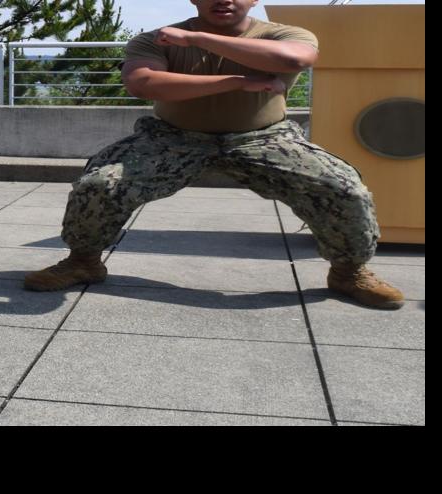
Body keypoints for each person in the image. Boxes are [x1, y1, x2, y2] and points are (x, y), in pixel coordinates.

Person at [23, 0, 405, 309]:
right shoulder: (157, 39)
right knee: (99, 184)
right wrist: (238, 82)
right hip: (173, 137)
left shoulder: (284, 33)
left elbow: (293, 60)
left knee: (343, 189)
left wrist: (199, 40)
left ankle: (348, 271)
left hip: (263, 137)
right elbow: (143, 82)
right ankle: (83, 261)